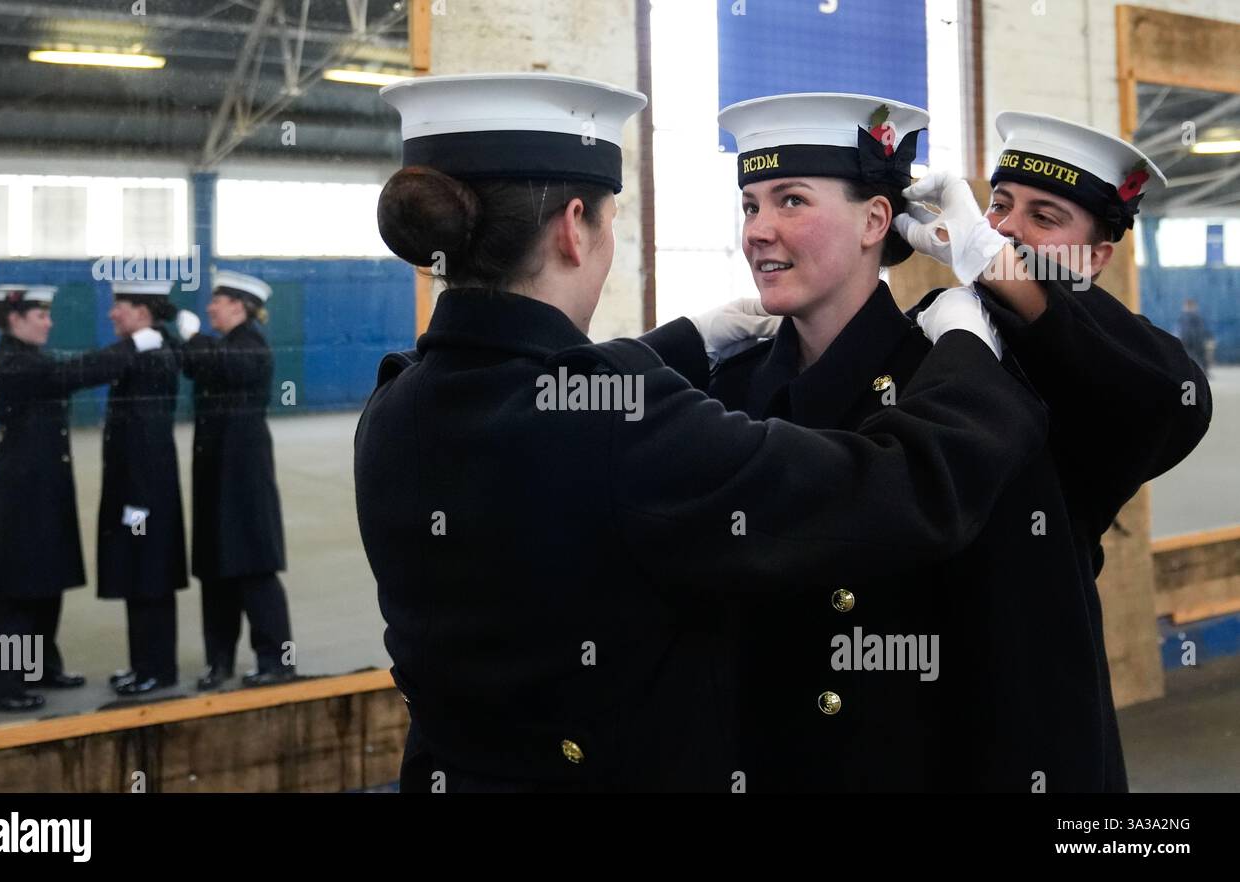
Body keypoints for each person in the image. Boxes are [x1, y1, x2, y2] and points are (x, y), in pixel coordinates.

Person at [355, 73, 1048, 792]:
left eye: (791, 200)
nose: (758, 228)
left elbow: (534, 403)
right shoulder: (633, 425)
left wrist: (680, 341)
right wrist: (969, 353)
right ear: (572, 228)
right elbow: (904, 488)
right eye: (751, 204)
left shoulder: (395, 402)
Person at [681, 104, 1211, 789]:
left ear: (1096, 259)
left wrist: (990, 261)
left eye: (1044, 219)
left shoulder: (1064, 395)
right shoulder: (929, 353)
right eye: (998, 208)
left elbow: (1170, 397)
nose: (1004, 230)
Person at [0, 284, 161, 711]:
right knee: (13, 589)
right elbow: (74, 374)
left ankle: (40, 667)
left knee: (45, 581)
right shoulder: (15, 364)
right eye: (40, 316)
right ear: (14, 319)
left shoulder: (30, 357)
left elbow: (70, 370)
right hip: (20, 491)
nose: (49, 322)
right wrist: (133, 345)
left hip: (43, 486)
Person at [179, 271, 294, 690]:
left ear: (239, 307)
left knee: (253, 568)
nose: (210, 307)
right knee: (215, 569)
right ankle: (219, 661)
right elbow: (195, 364)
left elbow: (220, 364)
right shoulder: (224, 344)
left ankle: (277, 660)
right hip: (215, 476)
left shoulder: (251, 346)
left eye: (218, 301)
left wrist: (192, 338)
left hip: (243, 479)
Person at [100, 282, 188, 696]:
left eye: (120, 306)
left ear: (142, 312)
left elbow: (147, 435)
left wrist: (137, 503)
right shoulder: (145, 350)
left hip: (144, 495)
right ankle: (143, 665)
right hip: (138, 491)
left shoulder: (152, 357)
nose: (112, 314)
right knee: (139, 572)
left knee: (150, 575)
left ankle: (157, 669)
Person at [1177, 298, 1212, 374]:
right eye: (1187, 306)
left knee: (1199, 357)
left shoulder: (1195, 317)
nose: (1188, 308)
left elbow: (1201, 329)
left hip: (1195, 340)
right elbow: (1181, 329)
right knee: (1193, 357)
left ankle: (1203, 371)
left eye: (1190, 306)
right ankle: (1192, 371)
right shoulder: (1184, 317)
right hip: (1189, 340)